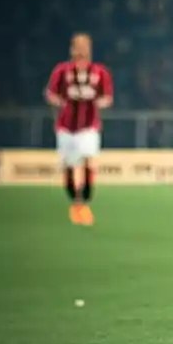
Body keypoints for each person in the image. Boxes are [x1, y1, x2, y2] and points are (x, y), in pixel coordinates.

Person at [44, 32, 114, 226]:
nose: (82, 51)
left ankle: (84, 199)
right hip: (66, 126)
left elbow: (107, 97)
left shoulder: (100, 72)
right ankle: (75, 202)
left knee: (88, 159)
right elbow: (51, 93)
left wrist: (100, 102)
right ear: (72, 49)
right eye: (78, 47)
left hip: (89, 125)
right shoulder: (62, 71)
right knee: (68, 164)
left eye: (85, 47)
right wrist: (59, 101)